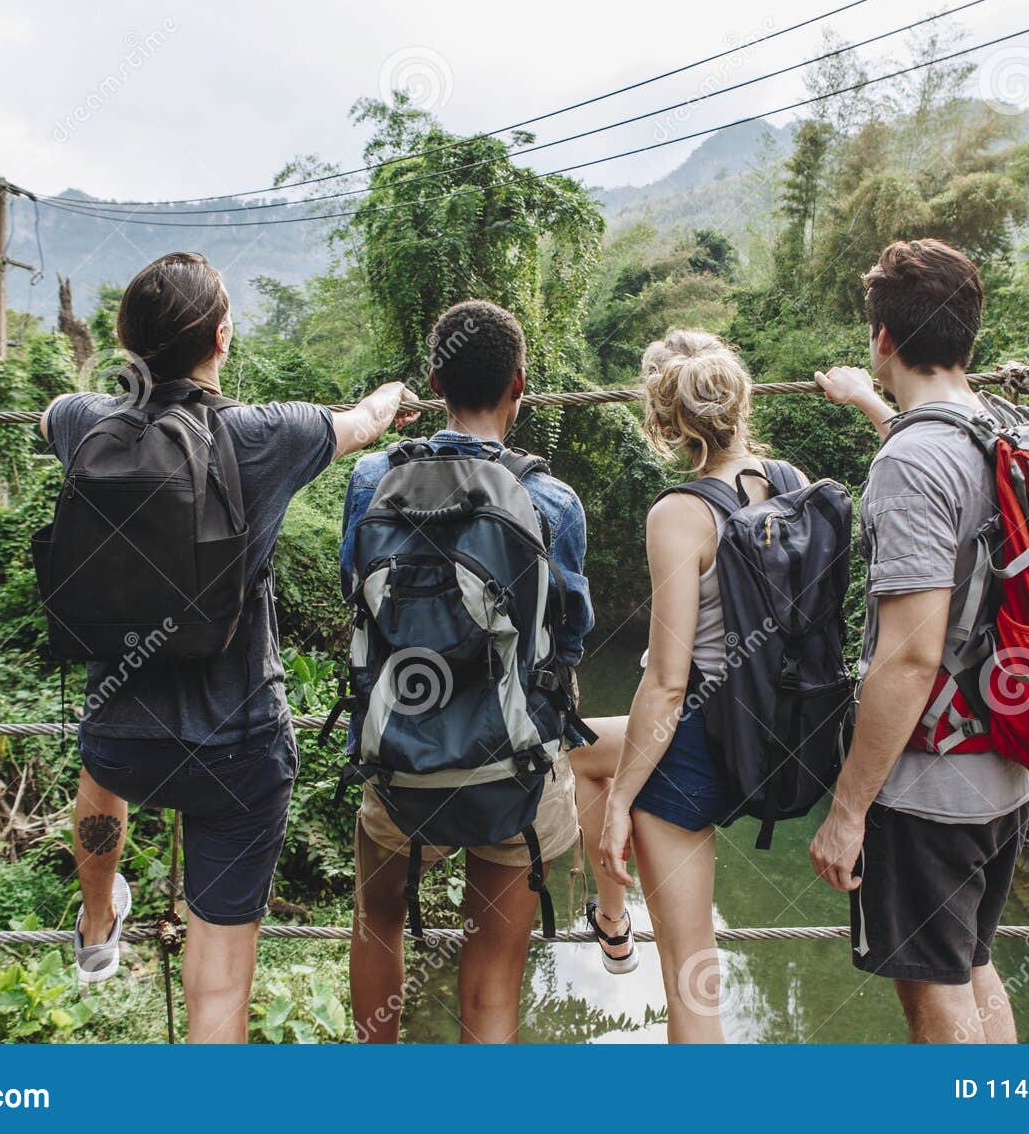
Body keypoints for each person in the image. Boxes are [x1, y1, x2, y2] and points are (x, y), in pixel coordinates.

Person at [41, 251, 416, 1043]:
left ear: (127, 344)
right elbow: (366, 421)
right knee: (218, 992)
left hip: (121, 742)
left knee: (97, 757)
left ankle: (97, 919)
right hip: (238, 748)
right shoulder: (264, 435)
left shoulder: (87, 427)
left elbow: (49, 413)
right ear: (221, 336)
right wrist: (390, 395)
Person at [341, 299, 594, 1044]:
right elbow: (568, 640)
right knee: (492, 969)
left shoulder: (368, 479)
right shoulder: (553, 499)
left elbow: (358, 598)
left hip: (398, 754)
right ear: (520, 383)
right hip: (510, 765)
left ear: (433, 379)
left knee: (378, 917)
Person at [809, 238, 1029, 1043]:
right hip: (1005, 765)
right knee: (973, 966)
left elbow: (909, 654)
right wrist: (873, 407)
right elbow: (942, 494)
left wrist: (847, 810)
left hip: (931, 785)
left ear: (882, 340)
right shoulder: (1003, 429)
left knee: (933, 998)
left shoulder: (912, 462)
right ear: (970, 338)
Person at [584, 329, 806, 1043]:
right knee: (581, 746)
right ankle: (611, 918)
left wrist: (620, 799)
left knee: (691, 978)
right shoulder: (795, 483)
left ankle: (611, 918)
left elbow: (668, 682)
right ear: (741, 398)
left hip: (696, 748)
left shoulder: (679, 514)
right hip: (776, 737)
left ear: (664, 421)